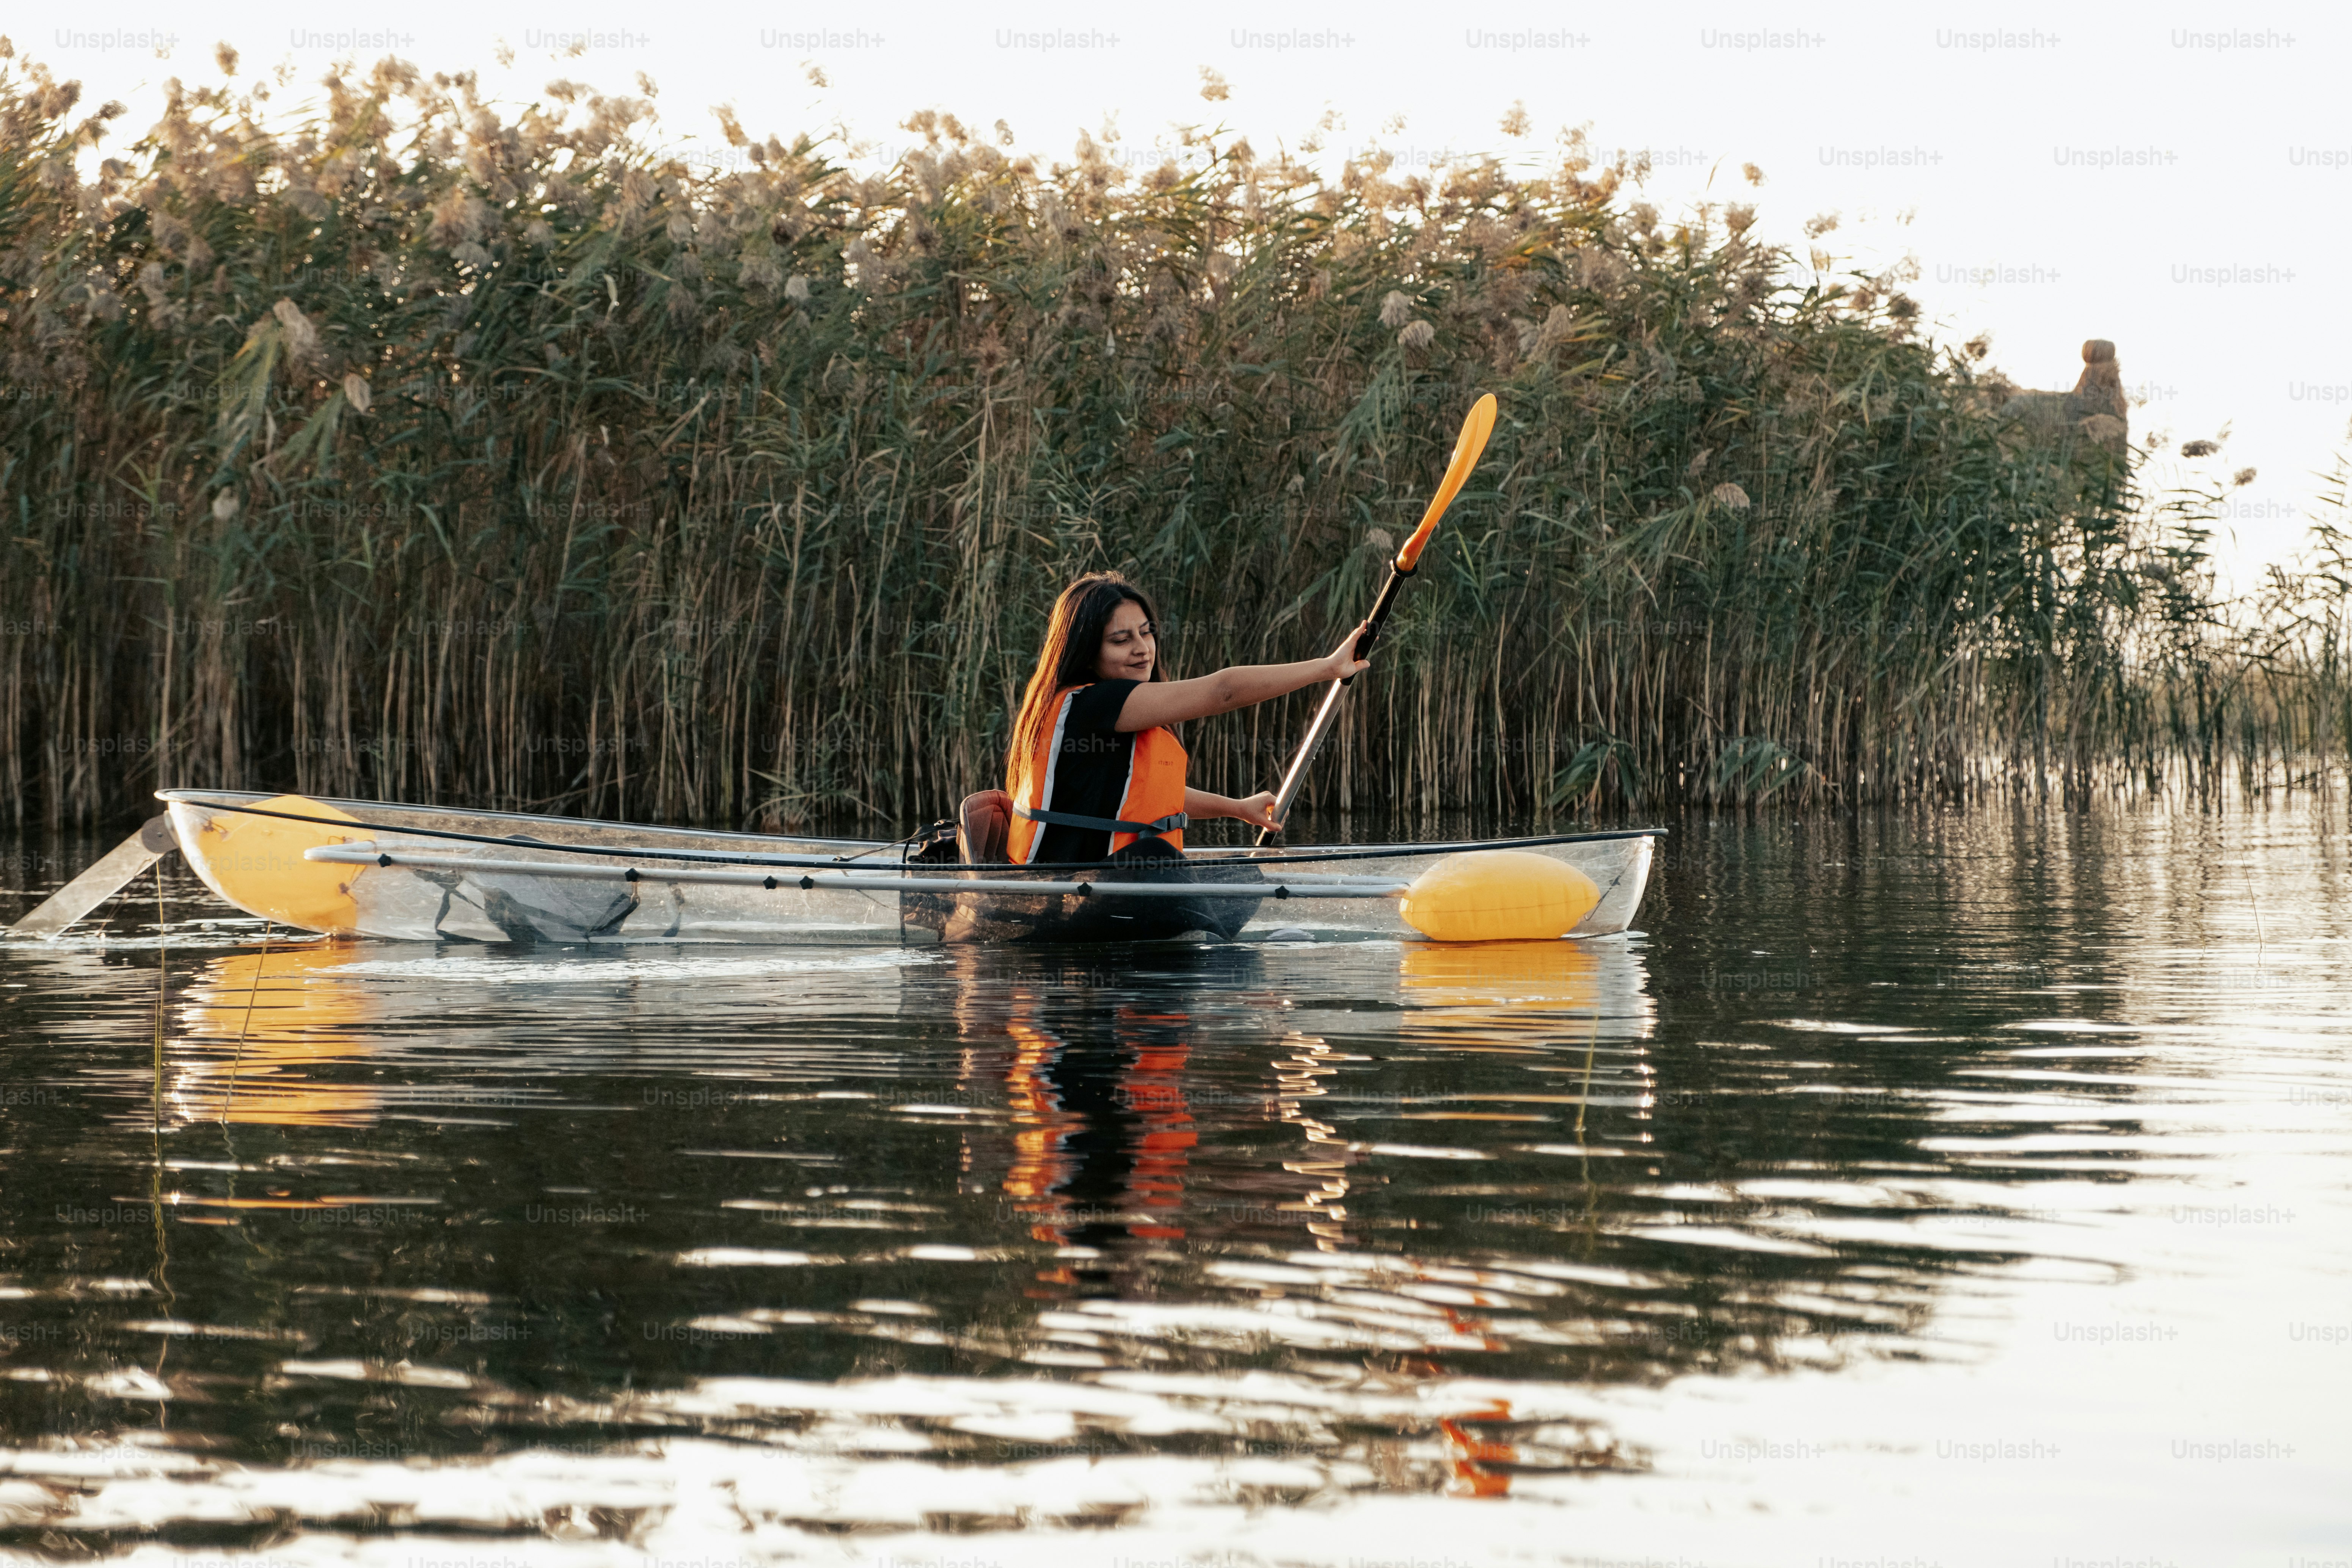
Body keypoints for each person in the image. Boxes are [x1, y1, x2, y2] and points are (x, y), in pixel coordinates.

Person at [1001, 571, 1370, 864]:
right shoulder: (1092, 703)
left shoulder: (1101, 708)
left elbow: (1147, 791)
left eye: (1147, 633)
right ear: (1084, 650)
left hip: (1098, 887)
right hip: (1066, 895)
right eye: (1121, 639)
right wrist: (1325, 667)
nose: (1142, 649)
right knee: (1161, 861)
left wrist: (1237, 809)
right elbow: (1222, 690)